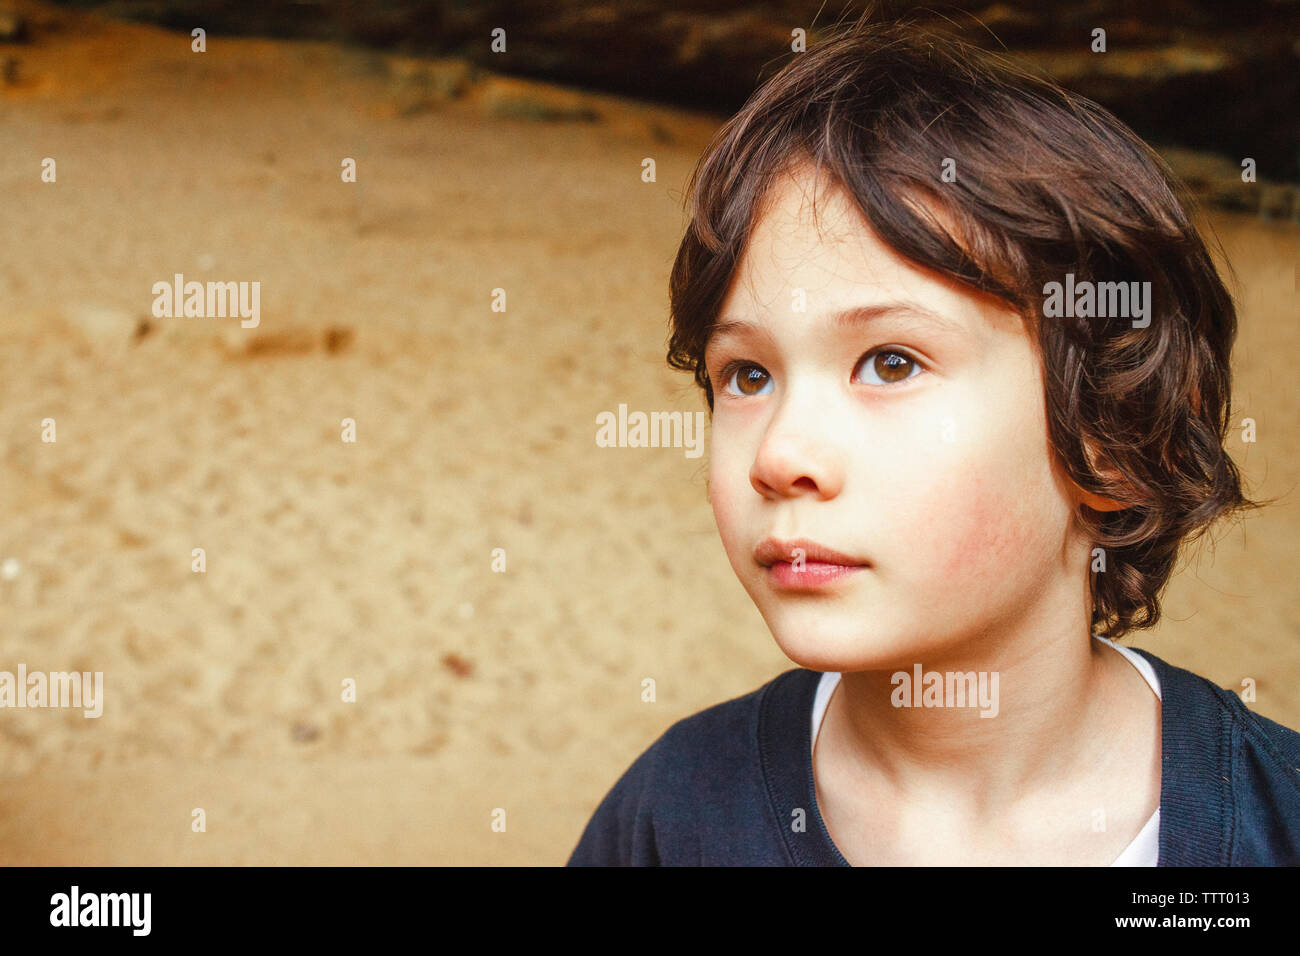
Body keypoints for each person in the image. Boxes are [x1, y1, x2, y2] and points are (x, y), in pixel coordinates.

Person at [567, 13, 1300, 866]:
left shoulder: (1273, 821)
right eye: (748, 376)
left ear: (1114, 437)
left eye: (889, 362)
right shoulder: (670, 819)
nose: (779, 457)